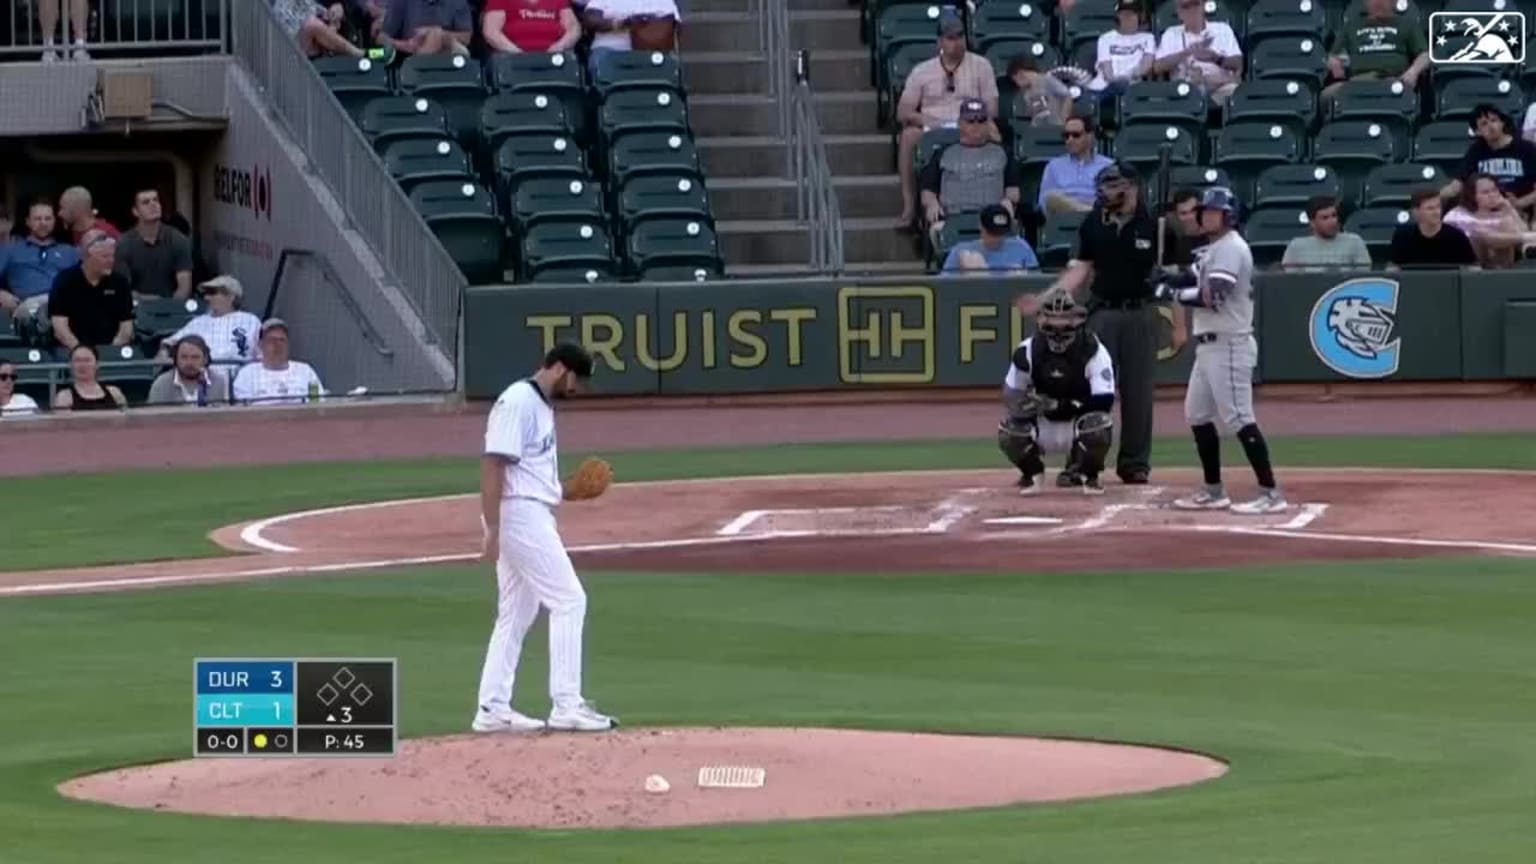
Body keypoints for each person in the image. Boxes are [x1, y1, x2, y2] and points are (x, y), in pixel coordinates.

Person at [474, 342, 618, 734]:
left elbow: (535, 477)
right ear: (559, 368)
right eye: (575, 379)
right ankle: (567, 704)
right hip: (520, 515)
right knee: (570, 600)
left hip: (529, 511)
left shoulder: (540, 406)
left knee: (516, 613)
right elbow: (492, 463)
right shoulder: (518, 400)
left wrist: (570, 490)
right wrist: (492, 527)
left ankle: (493, 708)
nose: (577, 389)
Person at [1020, 160, 1188, 485]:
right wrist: (1042, 299)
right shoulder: (1093, 224)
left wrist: (1180, 327)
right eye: (1105, 185)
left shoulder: (1158, 225)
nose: (1106, 191)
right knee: (1092, 390)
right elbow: (1079, 271)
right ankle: (1083, 462)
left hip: (1141, 313)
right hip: (1103, 313)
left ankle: (1135, 463)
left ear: (1132, 187)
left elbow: (1175, 281)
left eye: (1113, 185)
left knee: (1138, 395)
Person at [1156, 188, 1286, 514]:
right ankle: (1214, 491)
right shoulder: (1214, 249)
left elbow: (1212, 296)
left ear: (1229, 216)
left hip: (1229, 342)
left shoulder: (1231, 248)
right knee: (1197, 414)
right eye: (1206, 211)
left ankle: (1270, 493)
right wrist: (1170, 277)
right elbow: (1196, 277)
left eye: (1215, 212)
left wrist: (1167, 290)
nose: (1208, 216)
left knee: (1239, 418)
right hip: (1208, 346)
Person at [996, 292, 1117, 494]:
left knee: (1099, 426)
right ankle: (1032, 473)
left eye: (1063, 318)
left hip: (1079, 422)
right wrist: (1028, 406)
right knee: (1009, 432)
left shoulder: (1093, 350)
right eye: (1052, 318)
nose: (1058, 326)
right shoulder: (1027, 351)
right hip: (1044, 422)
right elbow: (1011, 395)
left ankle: (1089, 474)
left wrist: (1061, 405)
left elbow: (1105, 400)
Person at [893, 12, 999, 225]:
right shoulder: (922, 71)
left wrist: (973, 120)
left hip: (972, 121)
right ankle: (909, 206)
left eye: (960, 36)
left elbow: (993, 109)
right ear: (940, 41)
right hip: (934, 125)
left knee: (994, 130)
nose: (957, 42)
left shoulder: (981, 66)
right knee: (907, 136)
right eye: (951, 38)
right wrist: (927, 120)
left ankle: (994, 202)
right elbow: (902, 113)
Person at [919, 99, 1023, 248]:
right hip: (952, 220)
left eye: (981, 120)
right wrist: (932, 203)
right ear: (960, 123)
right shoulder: (943, 153)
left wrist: (1008, 202)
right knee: (938, 231)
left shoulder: (1003, 152)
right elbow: (927, 190)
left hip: (992, 220)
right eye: (970, 121)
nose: (976, 126)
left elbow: (1013, 192)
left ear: (988, 124)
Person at [47, 231, 135, 351]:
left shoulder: (120, 283)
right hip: (72, 350)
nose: (111, 261)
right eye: (105, 256)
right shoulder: (65, 281)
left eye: (112, 256)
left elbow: (126, 328)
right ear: (87, 257)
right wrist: (81, 352)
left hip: (111, 351)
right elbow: (60, 329)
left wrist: (110, 352)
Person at [1322, 0, 1428, 100]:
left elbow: (1425, 55)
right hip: (1356, 82)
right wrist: (1334, 62)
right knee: (1326, 96)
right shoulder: (1351, 26)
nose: (1377, 2)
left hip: (1392, 80)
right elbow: (1333, 56)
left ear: (1393, 2)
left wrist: (1412, 73)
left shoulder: (1407, 25)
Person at [1441, 104, 1536, 216]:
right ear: (1477, 131)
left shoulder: (1526, 148)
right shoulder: (1476, 151)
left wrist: (1519, 203)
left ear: (1502, 123)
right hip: (1484, 212)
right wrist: (1435, 197)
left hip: (1521, 211)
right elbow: (1456, 186)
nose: (1491, 126)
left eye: (1494, 120)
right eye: (1484, 124)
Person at [159, 276, 264, 366]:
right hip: (204, 378)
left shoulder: (250, 321)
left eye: (213, 293)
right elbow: (169, 344)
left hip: (240, 378)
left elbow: (262, 354)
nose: (206, 297)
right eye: (206, 293)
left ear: (231, 296)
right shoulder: (198, 322)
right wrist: (164, 353)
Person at [1153, 0, 1243, 106]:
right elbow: (1157, 67)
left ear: (1203, 6)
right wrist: (1187, 53)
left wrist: (1215, 58)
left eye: (1195, 4)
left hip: (1220, 88)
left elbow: (1238, 63)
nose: (1192, 10)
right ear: (1179, 12)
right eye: (1185, 6)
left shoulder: (1222, 29)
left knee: (1236, 93)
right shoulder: (1171, 33)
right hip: (1184, 91)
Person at [1443, 173, 1536, 269]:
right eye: (1485, 192)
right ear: (1472, 195)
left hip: (1503, 264)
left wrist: (1509, 209)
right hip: (1470, 264)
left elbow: (1523, 231)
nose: (1492, 195)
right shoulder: (1457, 215)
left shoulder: (1504, 213)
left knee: (1506, 225)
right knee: (1479, 234)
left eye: (1494, 190)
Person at [231, 318, 326, 406]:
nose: (277, 345)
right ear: (260, 344)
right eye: (271, 340)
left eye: (282, 340)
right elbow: (242, 409)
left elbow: (317, 404)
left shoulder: (305, 371)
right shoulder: (247, 373)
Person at [1036, 115, 1113, 216]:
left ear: (1089, 137)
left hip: (1098, 220)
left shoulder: (1108, 165)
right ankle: (1087, 212)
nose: (1070, 140)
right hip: (1063, 217)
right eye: (1066, 136)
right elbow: (1044, 203)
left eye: (1076, 135)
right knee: (1052, 197)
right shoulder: (1054, 166)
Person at [1388, 189, 1479, 269]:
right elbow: (1393, 268)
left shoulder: (1456, 236)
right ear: (1416, 212)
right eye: (1430, 208)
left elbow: (1472, 268)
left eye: (1438, 207)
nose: (1436, 212)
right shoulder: (1403, 236)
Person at [1280, 195, 1372, 270]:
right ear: (1312, 223)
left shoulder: (1354, 241)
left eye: (1334, 215)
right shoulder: (1297, 246)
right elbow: (1289, 282)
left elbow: (1363, 278)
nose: (1332, 221)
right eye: (1325, 218)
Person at [941, 205, 1040, 273]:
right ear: (981, 227)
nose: (996, 238)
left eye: (1000, 232)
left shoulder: (1021, 248)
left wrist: (1022, 278)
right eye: (992, 232)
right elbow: (943, 288)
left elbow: (1038, 284)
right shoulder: (961, 251)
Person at [1090, 0, 1157, 96]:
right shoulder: (1105, 39)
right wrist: (1117, 81)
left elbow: (1146, 65)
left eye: (1132, 14)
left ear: (1140, 16)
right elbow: (1107, 72)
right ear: (1118, 16)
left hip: (1133, 87)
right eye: (1124, 14)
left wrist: (1130, 77)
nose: (1128, 17)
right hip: (1105, 86)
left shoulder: (1148, 38)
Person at [147, 335, 233, 407]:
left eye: (195, 357)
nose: (189, 363)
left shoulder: (219, 382)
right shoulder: (161, 384)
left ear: (205, 359)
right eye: (184, 357)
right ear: (176, 358)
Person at [482, 0, 582, 54]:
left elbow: (573, 28)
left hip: (554, 56)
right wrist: (517, 53)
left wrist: (559, 46)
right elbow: (491, 31)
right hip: (512, 58)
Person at [53, 345, 127, 412]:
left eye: (87, 360)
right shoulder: (64, 397)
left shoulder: (114, 393)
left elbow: (125, 420)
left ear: (97, 364)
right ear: (71, 365)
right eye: (77, 360)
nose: (82, 365)